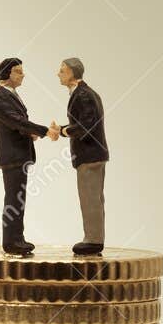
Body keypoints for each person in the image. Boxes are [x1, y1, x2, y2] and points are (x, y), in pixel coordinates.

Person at [0, 57, 52, 255]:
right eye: (18, 71)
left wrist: (29, 132)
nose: (22, 75)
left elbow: (18, 124)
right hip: (13, 156)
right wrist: (44, 131)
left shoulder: (10, 94)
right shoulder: (0, 97)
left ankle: (18, 238)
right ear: (7, 73)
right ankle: (11, 242)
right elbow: (17, 122)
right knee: (14, 199)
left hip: (18, 155)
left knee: (18, 199)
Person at [50, 56, 109, 256]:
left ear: (73, 73)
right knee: (92, 197)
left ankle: (93, 240)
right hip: (92, 153)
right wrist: (64, 129)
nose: (58, 74)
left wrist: (63, 131)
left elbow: (85, 127)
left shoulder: (83, 95)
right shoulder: (83, 93)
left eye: (62, 71)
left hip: (89, 155)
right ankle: (93, 237)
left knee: (90, 198)